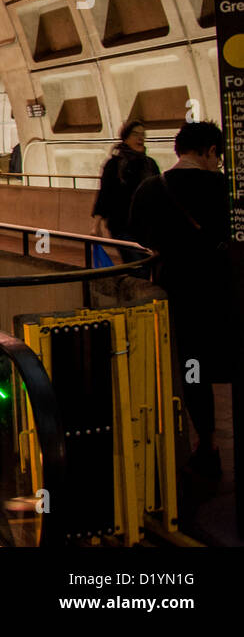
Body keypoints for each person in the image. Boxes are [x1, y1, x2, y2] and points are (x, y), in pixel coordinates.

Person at [128, 121, 230, 479]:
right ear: (210, 151)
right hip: (225, 291)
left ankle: (207, 442)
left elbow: (136, 233)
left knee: (193, 368)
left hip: (179, 293)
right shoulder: (225, 187)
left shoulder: (151, 188)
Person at [92, 120, 160, 262]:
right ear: (126, 137)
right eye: (135, 134)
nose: (140, 138)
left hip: (145, 225)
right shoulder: (114, 164)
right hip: (121, 224)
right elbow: (105, 193)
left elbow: (157, 193)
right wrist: (96, 224)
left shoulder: (150, 164)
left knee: (145, 266)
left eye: (143, 135)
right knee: (136, 264)